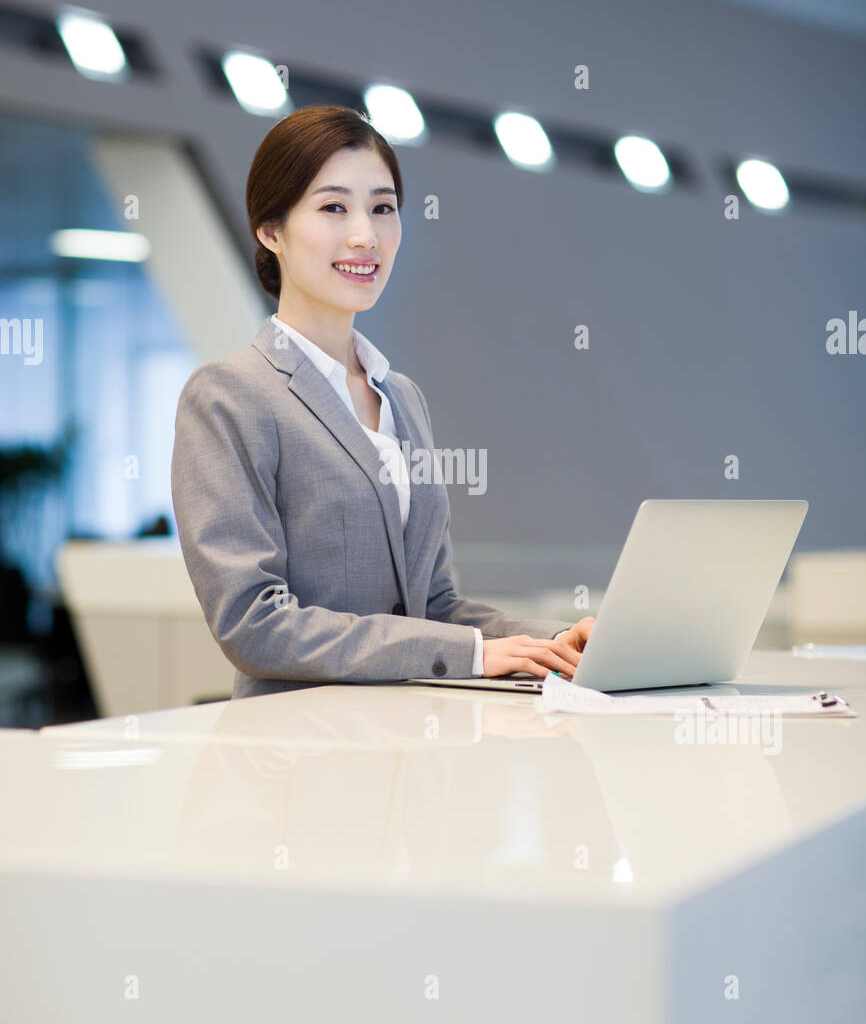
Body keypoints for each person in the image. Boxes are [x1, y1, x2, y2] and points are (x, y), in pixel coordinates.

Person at [171, 104, 594, 698]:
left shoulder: (403, 398)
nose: (365, 235)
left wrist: (558, 641)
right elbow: (253, 623)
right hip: (299, 750)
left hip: (411, 746)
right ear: (272, 231)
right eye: (333, 207)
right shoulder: (230, 394)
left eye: (383, 207)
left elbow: (434, 607)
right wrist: (471, 653)